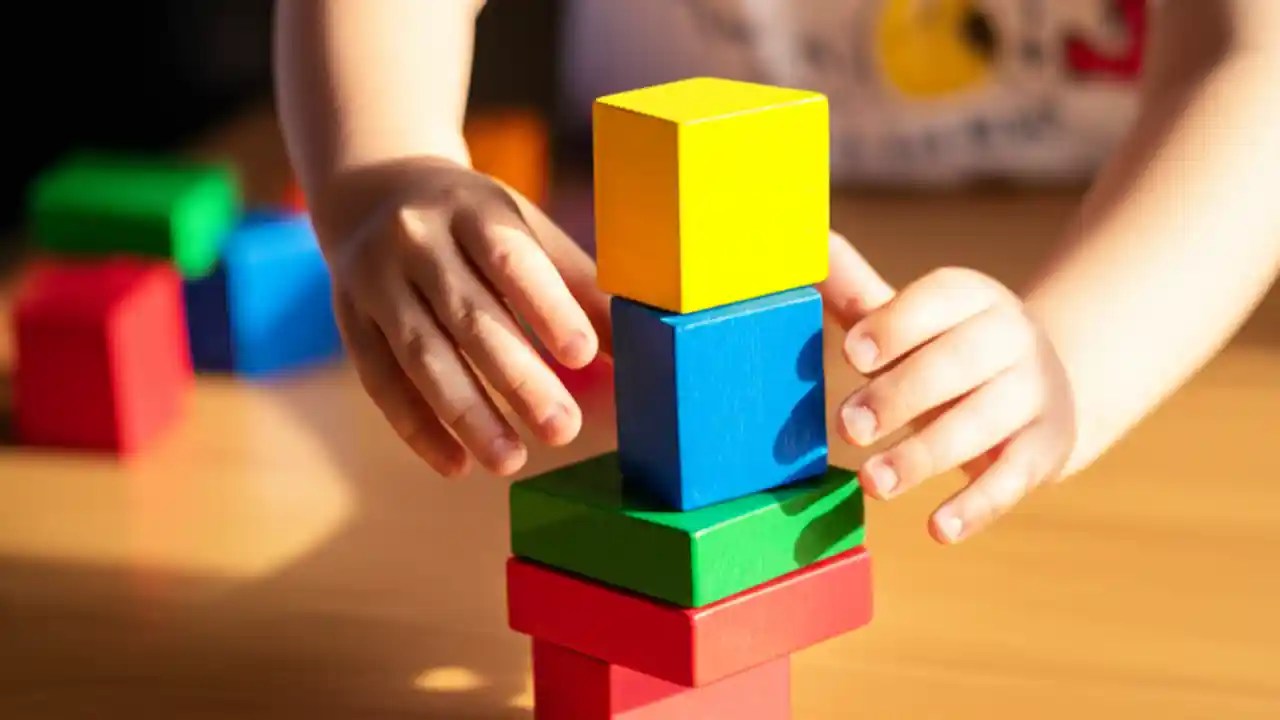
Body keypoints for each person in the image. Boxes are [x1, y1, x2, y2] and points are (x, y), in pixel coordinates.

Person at [272, 1, 1280, 545]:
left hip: (1071, 231)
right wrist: (382, 159)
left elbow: (1248, 61)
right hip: (611, 234)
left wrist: (1076, 355)